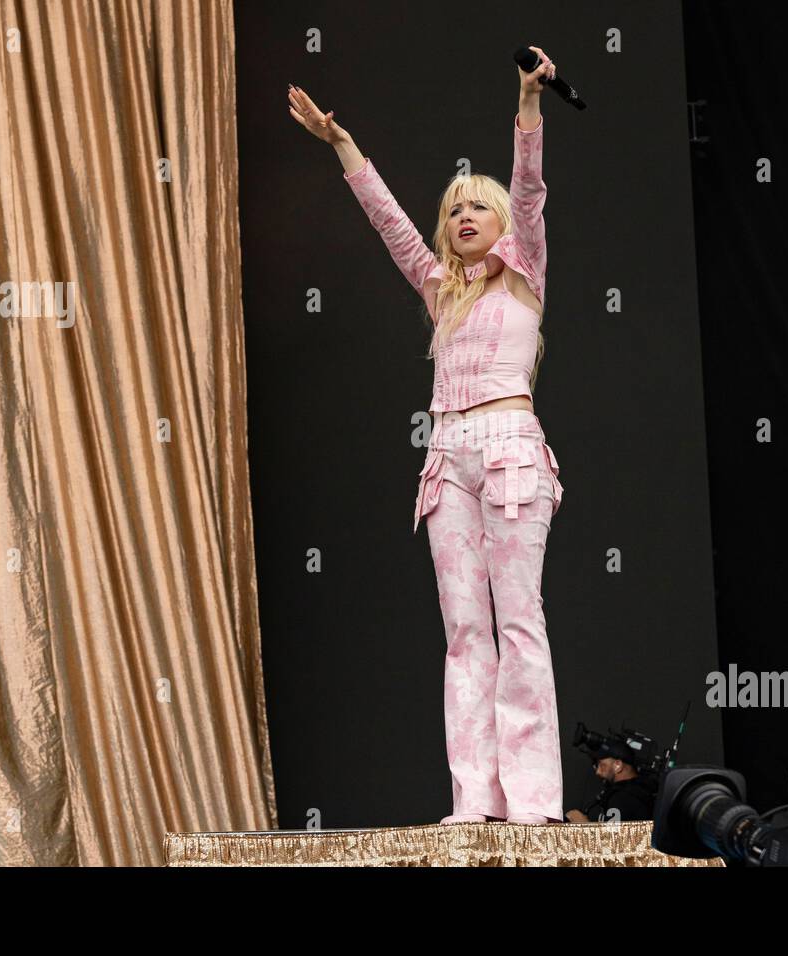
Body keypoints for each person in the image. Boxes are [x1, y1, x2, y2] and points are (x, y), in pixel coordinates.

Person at [287, 47, 567, 825]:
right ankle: (474, 798)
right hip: (448, 460)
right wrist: (342, 145)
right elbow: (387, 220)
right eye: (453, 209)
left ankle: (535, 802)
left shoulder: (524, 274)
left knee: (518, 619)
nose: (463, 216)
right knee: (465, 632)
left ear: (502, 226)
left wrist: (527, 102)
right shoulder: (440, 289)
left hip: (511, 450)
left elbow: (531, 189)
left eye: (478, 207)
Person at [566, 747, 657, 823]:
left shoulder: (623, 798)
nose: (598, 772)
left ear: (618, 765)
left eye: (602, 765)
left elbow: (611, 843)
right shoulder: (639, 791)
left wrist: (584, 825)